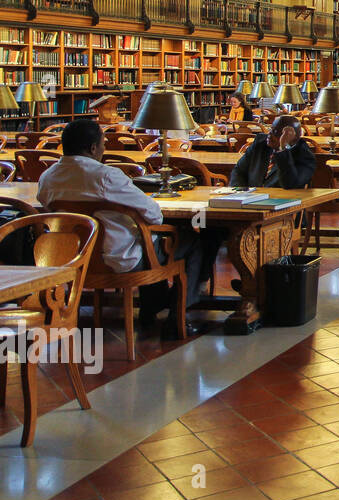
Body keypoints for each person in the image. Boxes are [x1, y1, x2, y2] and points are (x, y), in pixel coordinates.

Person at [36, 118, 219, 337]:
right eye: (103, 143)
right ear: (93, 148)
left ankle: (152, 306)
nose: (104, 148)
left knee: (147, 241)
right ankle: (176, 316)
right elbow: (154, 215)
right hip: (118, 260)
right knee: (191, 241)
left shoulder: (47, 178)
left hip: (72, 259)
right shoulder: (106, 176)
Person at [230, 115, 316, 189]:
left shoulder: (305, 156)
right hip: (250, 199)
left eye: (276, 132)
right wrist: (240, 192)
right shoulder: (260, 144)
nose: (270, 134)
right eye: (271, 129)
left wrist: (282, 149)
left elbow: (290, 184)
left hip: (282, 203)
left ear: (293, 138)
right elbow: (239, 171)